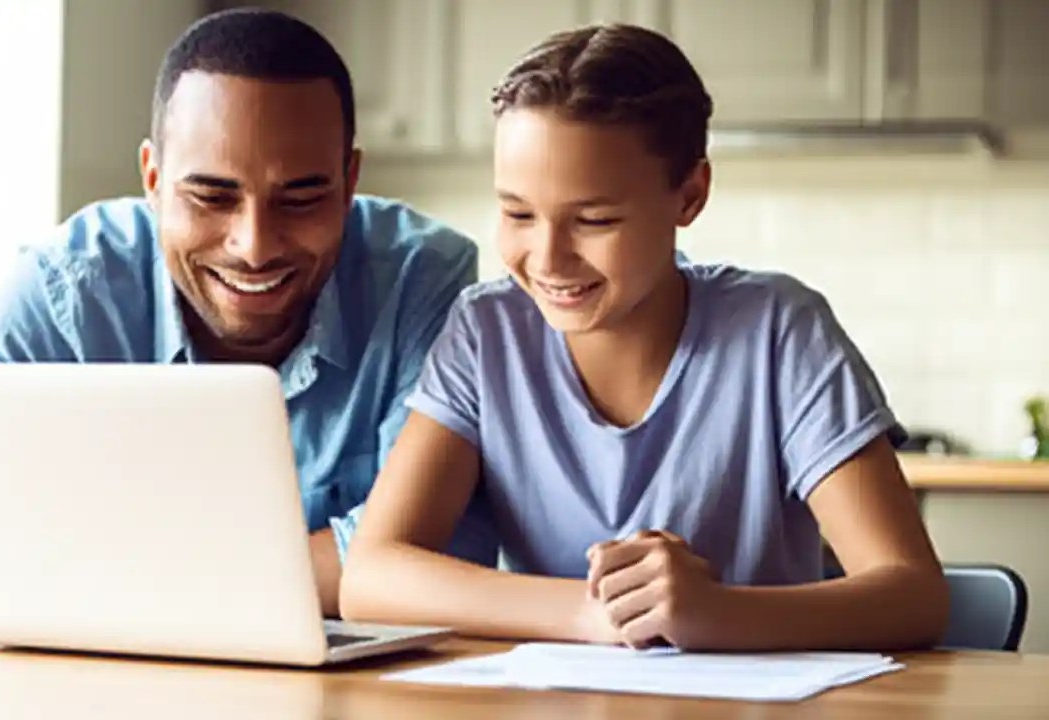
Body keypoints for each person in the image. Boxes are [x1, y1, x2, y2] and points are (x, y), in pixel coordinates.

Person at [0, 8, 495, 619]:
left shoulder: (423, 280)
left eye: (301, 197)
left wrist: (85, 573)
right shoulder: (68, 285)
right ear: (152, 178)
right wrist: (234, 581)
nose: (254, 245)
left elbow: (438, 561)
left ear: (350, 181)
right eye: (210, 195)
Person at [340, 23, 949, 650]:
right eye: (518, 213)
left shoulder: (777, 331)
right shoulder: (486, 333)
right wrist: (594, 612)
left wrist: (718, 614)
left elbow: (914, 594)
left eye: (594, 220)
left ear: (690, 194)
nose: (547, 258)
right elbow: (371, 576)